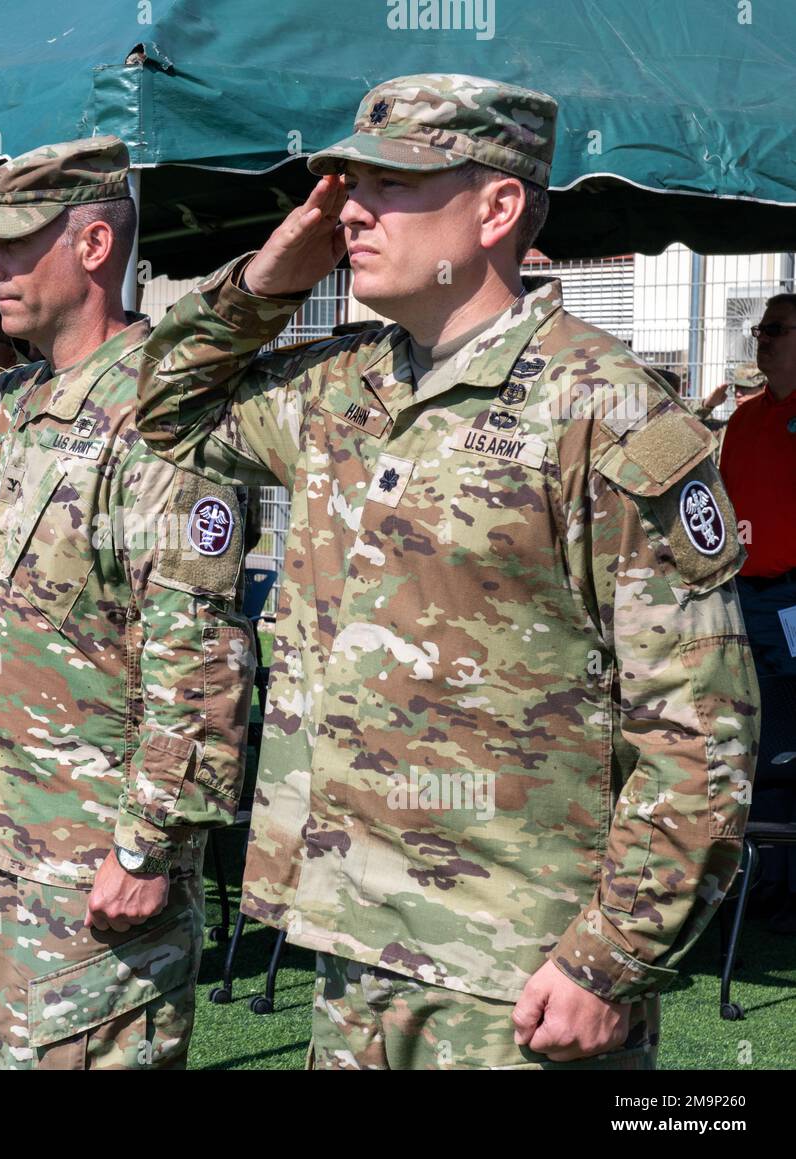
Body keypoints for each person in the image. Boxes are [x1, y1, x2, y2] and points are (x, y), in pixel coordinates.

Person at [134, 74, 759, 1070]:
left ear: (496, 207)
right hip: (347, 934)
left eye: (392, 183)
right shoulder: (341, 386)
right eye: (344, 186)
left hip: (514, 964)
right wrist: (265, 277)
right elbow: (165, 411)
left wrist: (610, 956)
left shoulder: (602, 409)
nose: (352, 211)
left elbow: (696, 722)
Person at [0, 136, 257, 1070]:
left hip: (95, 857)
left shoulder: (158, 410)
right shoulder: (25, 399)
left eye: (12, 244)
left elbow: (198, 655)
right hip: (7, 837)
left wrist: (145, 849)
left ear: (93, 247)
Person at [718, 295, 796, 932]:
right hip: (746, 597)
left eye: (775, 328)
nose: (761, 338)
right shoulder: (743, 421)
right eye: (759, 328)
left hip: (795, 597)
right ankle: (766, 880)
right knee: (763, 736)